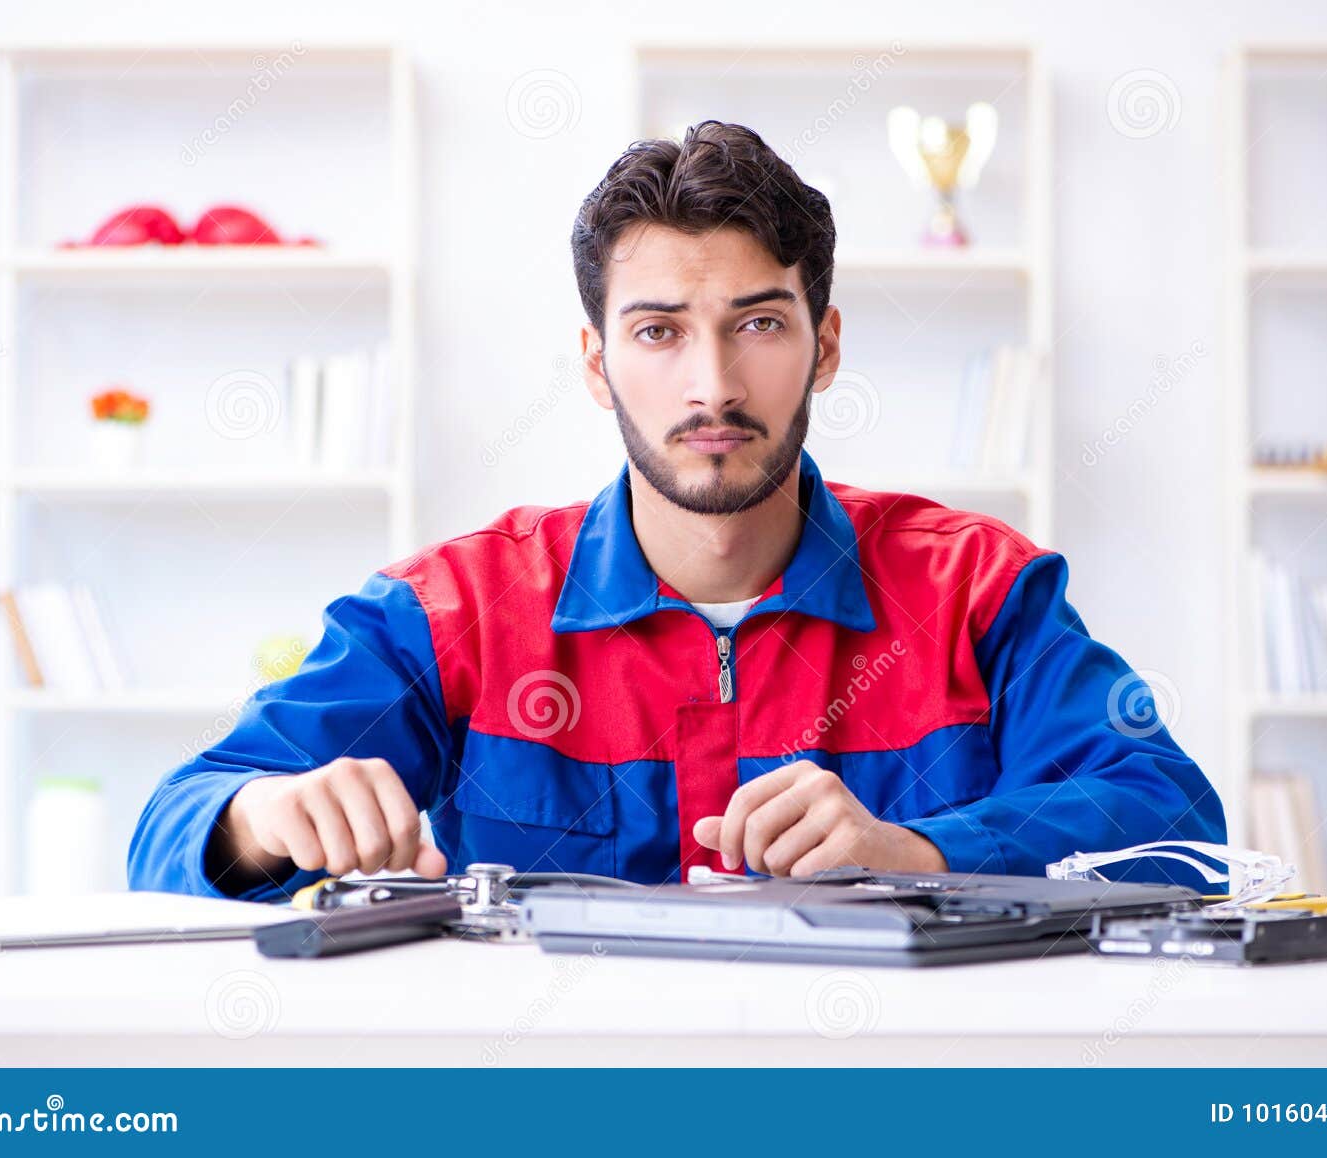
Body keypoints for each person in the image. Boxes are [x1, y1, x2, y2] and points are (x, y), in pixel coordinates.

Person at [128, 121, 1225, 901]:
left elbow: (1176, 820)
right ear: (598, 365)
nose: (712, 385)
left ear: (823, 346)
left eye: (756, 324)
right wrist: (263, 821)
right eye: (658, 331)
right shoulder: (446, 612)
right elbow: (173, 822)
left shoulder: (978, 591)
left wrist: (918, 852)